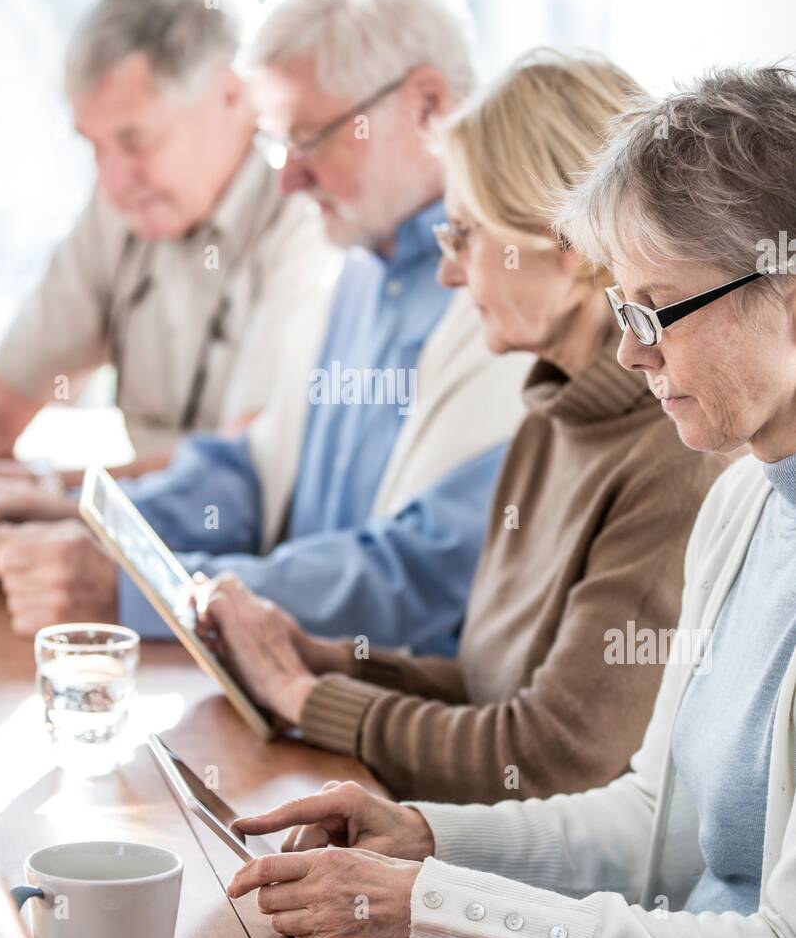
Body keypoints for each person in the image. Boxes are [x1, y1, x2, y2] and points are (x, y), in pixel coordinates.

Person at [222, 66, 796, 938]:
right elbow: (648, 825)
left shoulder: (704, 477)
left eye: (655, 309)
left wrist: (435, 910)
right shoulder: (743, 498)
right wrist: (426, 839)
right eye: (625, 308)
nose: (631, 351)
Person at [0, 0, 527, 652]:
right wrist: (87, 525)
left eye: (310, 139)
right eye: (281, 145)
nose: (288, 181)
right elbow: (251, 476)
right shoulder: (354, 270)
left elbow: (412, 579)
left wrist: (139, 588)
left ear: (428, 106)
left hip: (396, 733)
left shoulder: (507, 299)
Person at [198, 51, 731, 804]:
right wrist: (326, 664)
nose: (449, 274)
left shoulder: (675, 456)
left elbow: (549, 756)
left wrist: (304, 699)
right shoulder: (555, 409)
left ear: (565, 244)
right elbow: (490, 686)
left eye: (463, 236)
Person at [0, 0, 333, 483]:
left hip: (239, 552)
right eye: (94, 147)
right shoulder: (123, 207)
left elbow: (245, 467)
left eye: (134, 140)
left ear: (233, 95)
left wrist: (44, 488)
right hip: (134, 532)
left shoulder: (311, 215)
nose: (114, 181)